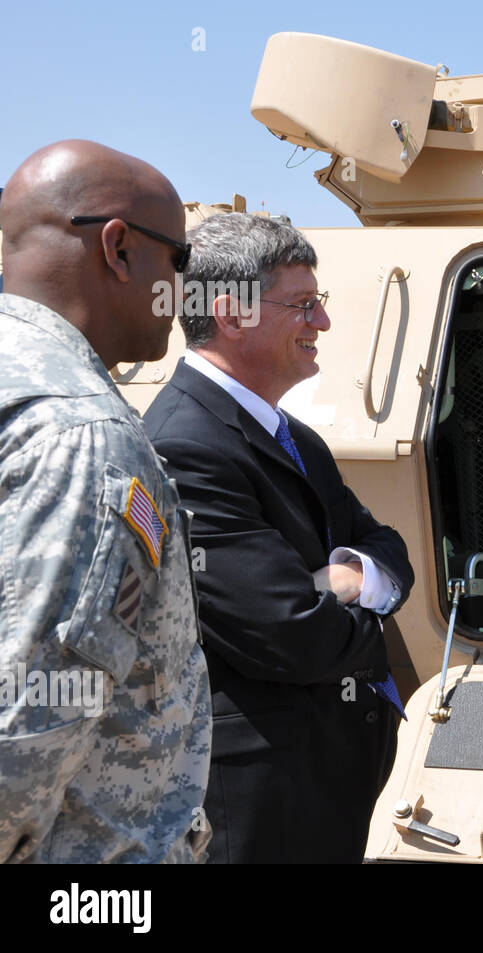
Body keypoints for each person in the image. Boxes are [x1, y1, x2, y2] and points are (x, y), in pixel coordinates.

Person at [144, 212, 414, 863]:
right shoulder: (187, 443)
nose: (321, 323)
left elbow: (389, 549)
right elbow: (294, 632)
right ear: (232, 314)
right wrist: (355, 606)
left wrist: (350, 579)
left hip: (318, 789)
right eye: (304, 305)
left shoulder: (289, 436)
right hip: (263, 806)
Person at [0, 140, 211, 862]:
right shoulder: (85, 436)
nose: (181, 291)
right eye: (178, 261)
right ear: (119, 249)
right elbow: (26, 729)